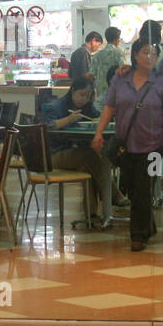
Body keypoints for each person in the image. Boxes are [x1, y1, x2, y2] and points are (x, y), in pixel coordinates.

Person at [93, 38, 163, 251]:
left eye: (154, 53)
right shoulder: (121, 79)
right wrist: (99, 132)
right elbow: (109, 106)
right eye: (145, 52)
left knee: (146, 188)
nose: (149, 57)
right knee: (131, 188)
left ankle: (138, 235)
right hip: (126, 145)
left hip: (153, 147)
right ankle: (148, 224)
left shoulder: (161, 82)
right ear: (134, 55)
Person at [44, 80, 127, 224]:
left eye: (88, 96)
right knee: (89, 155)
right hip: (54, 154)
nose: (84, 99)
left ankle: (91, 214)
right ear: (72, 91)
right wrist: (68, 119)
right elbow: (46, 126)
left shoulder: (88, 107)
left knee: (88, 164)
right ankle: (114, 195)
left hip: (73, 153)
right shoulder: (57, 106)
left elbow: (98, 117)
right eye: (82, 95)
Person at [90, 26, 124, 105]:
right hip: (115, 91)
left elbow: (92, 74)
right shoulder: (119, 53)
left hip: (100, 92)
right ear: (117, 39)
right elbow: (124, 70)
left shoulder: (97, 54)